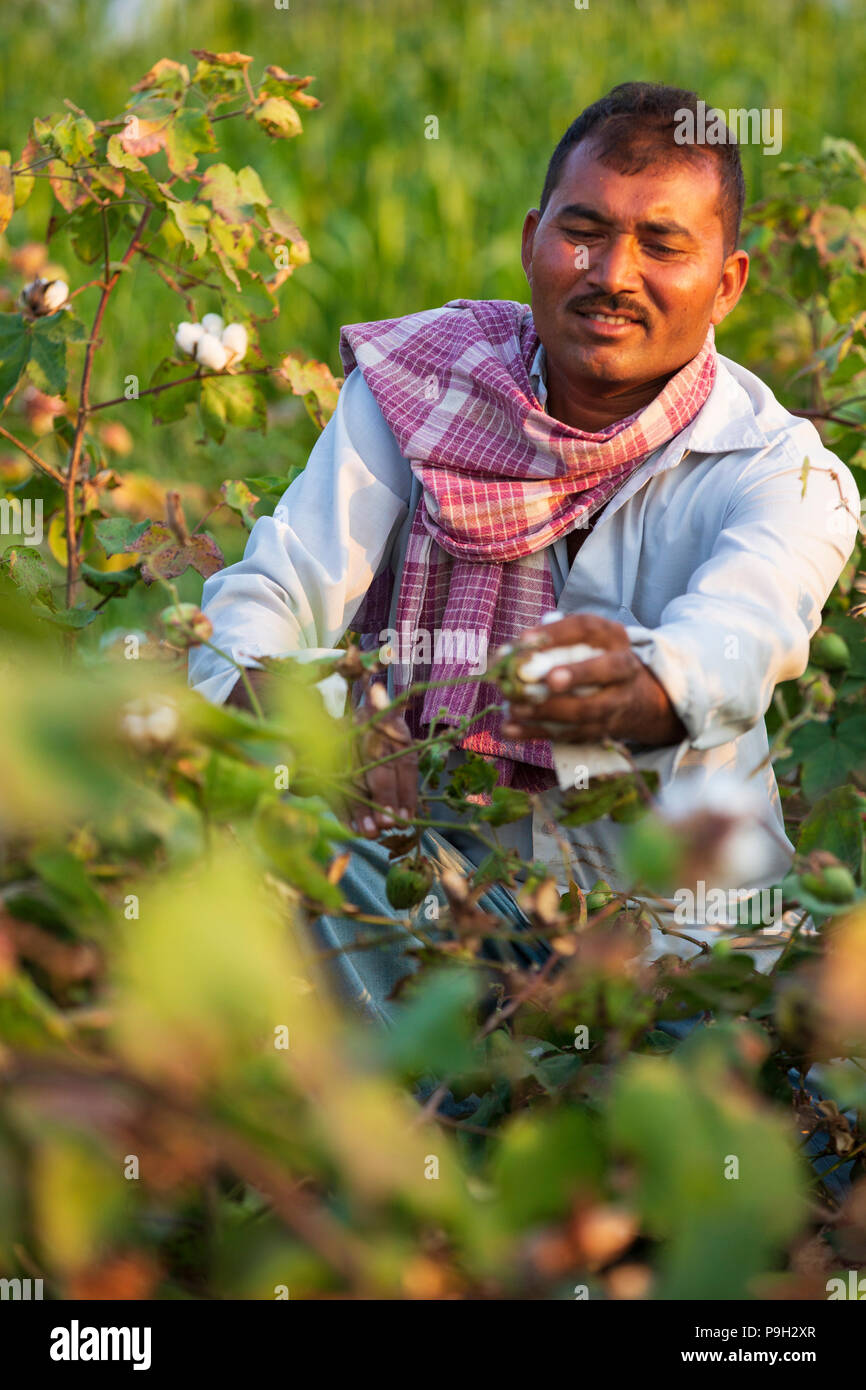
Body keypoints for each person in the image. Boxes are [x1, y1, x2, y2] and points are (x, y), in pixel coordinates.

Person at [189, 81, 859, 1026]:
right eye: (583, 231)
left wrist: (640, 689)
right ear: (531, 241)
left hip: (671, 947)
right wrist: (307, 698)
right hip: (434, 875)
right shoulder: (417, 387)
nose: (613, 273)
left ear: (728, 283)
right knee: (272, 798)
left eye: (663, 245)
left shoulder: (783, 471)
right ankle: (406, 1137)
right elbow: (263, 597)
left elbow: (739, 640)